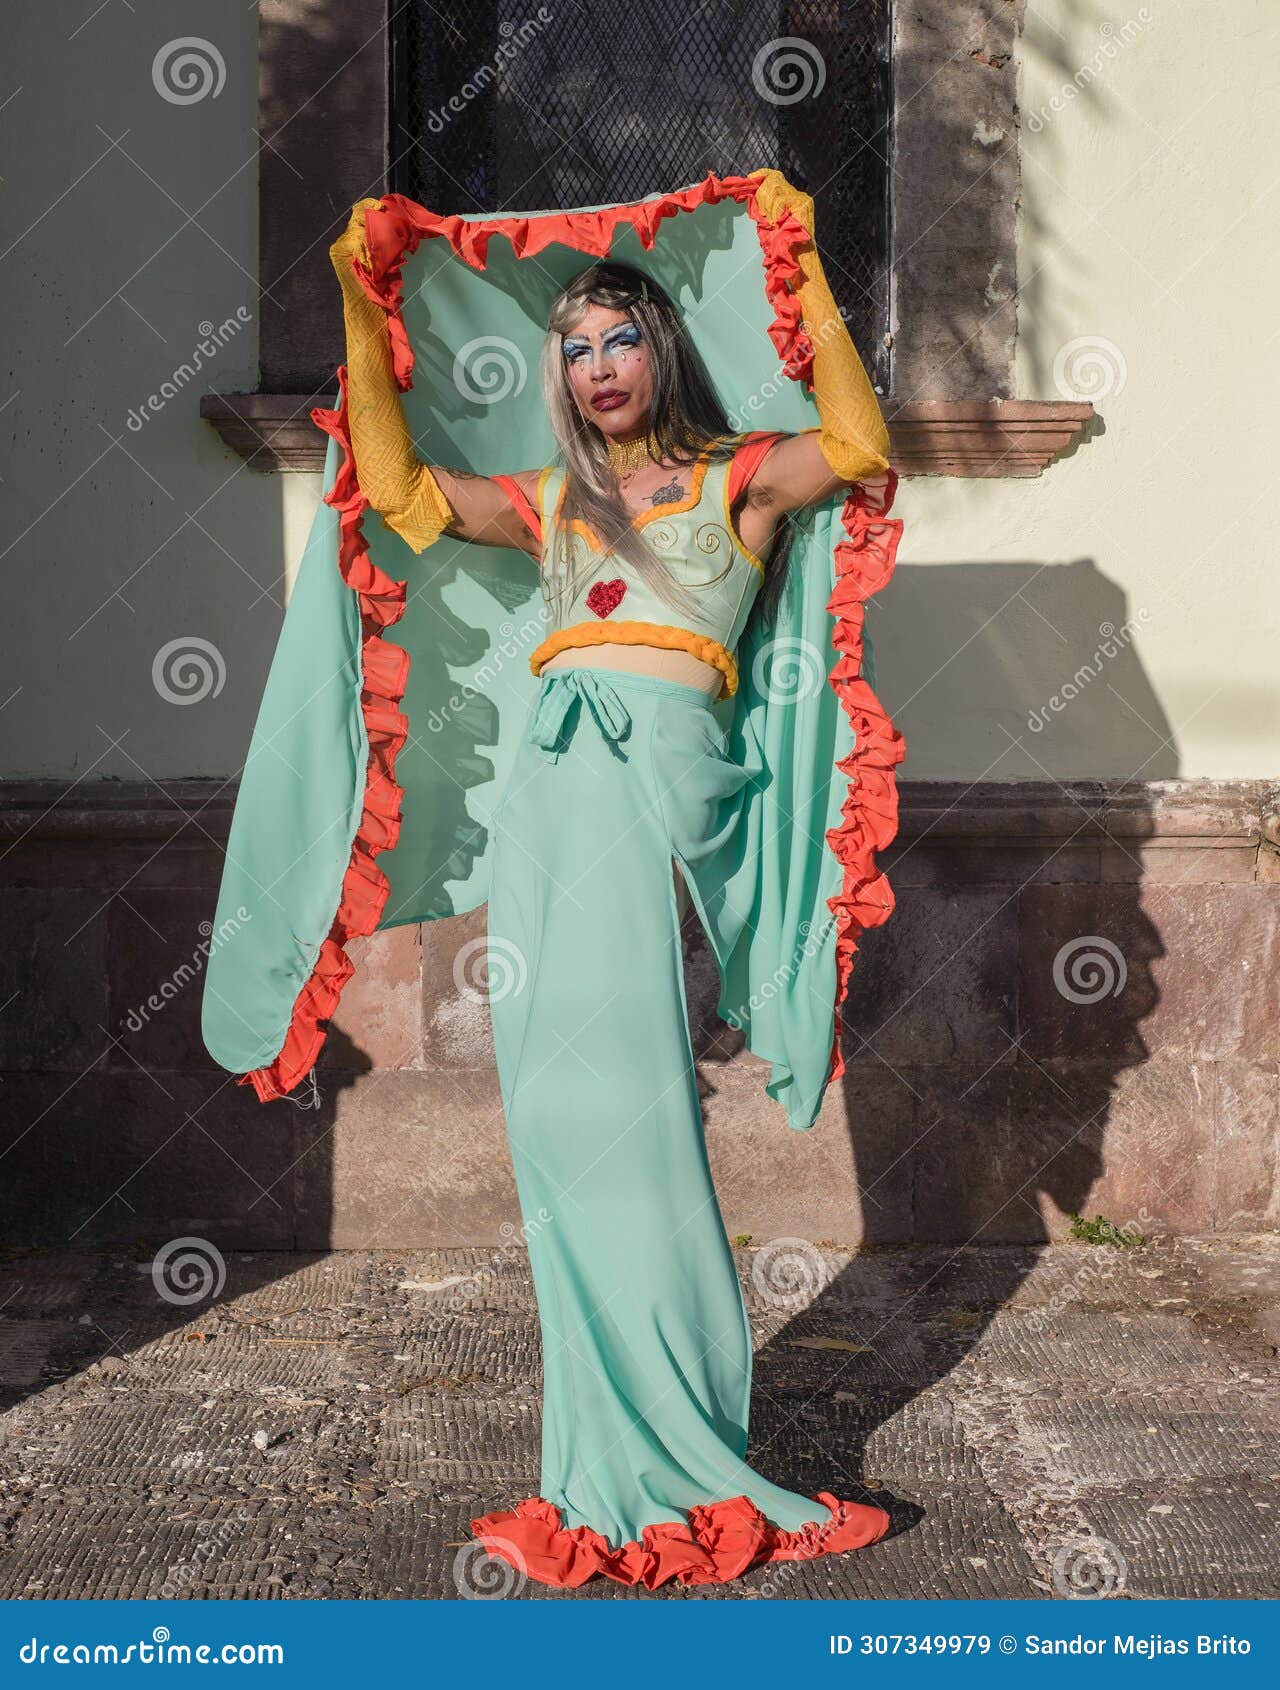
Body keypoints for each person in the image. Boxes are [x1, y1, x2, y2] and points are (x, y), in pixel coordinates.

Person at [419, 259, 893, 1589]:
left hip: (641, 813)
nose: (601, 365)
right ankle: (597, 1457)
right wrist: (359, 292)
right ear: (561, 376)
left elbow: (860, 443)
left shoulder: (736, 483)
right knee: (556, 1125)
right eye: (576, 348)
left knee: (635, 1111)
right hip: (546, 816)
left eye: (624, 337)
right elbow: (401, 493)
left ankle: (682, 1441)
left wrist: (805, 267)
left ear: (661, 350)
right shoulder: (554, 508)